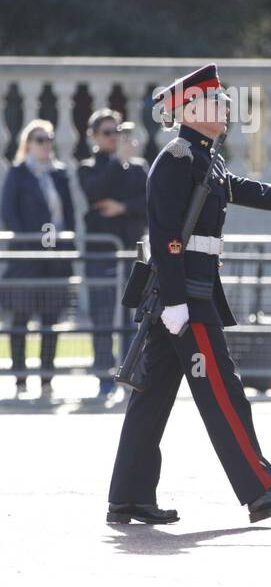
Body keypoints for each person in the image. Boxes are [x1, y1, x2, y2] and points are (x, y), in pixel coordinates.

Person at [106, 64, 271, 525]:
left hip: (190, 293)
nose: (227, 106)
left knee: (152, 395)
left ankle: (129, 495)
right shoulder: (177, 159)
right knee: (223, 391)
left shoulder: (207, 159)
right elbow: (165, 233)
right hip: (185, 295)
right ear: (190, 109)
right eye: (217, 100)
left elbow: (260, 192)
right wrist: (176, 300)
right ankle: (260, 488)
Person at [2, 119, 76, 399]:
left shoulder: (59, 173)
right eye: (39, 140)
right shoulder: (18, 173)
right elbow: (9, 213)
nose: (45, 145)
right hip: (27, 258)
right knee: (20, 320)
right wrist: (32, 243)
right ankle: (20, 379)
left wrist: (63, 244)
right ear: (28, 143)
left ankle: (47, 378)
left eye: (48, 139)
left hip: (56, 258)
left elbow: (68, 214)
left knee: (51, 321)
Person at [79, 109, 148, 398]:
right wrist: (116, 161)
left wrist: (121, 208)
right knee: (104, 317)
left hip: (131, 255)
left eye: (117, 131)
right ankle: (104, 378)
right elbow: (94, 194)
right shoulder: (88, 167)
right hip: (101, 255)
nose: (114, 138)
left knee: (132, 320)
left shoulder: (138, 168)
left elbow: (148, 203)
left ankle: (131, 375)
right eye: (107, 133)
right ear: (94, 137)